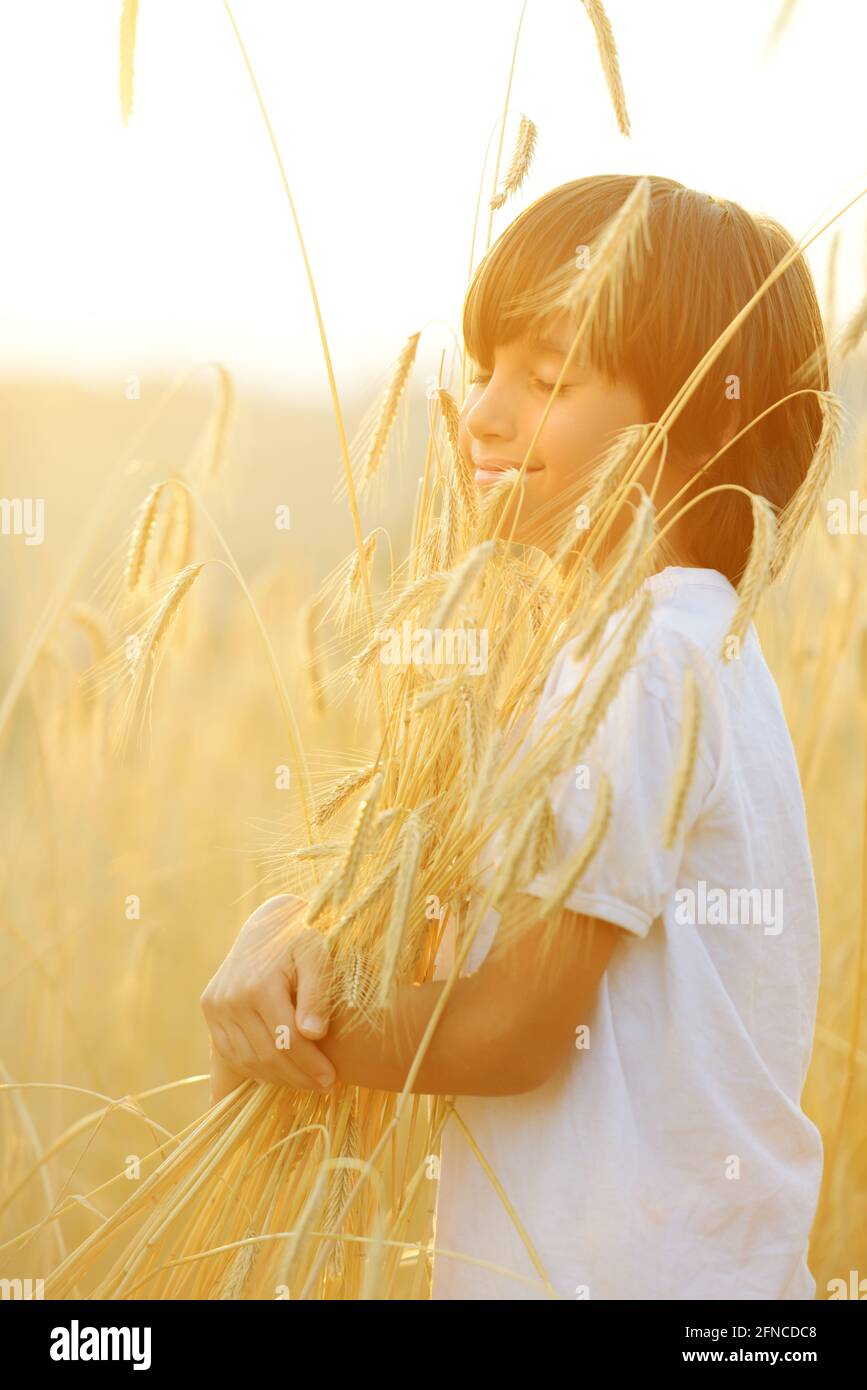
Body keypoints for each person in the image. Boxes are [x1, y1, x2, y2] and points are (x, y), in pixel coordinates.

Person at [200, 175, 828, 1299]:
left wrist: (291, 1045)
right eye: (486, 368)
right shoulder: (680, 649)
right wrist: (294, 928)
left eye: (545, 379)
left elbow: (515, 1026)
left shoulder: (640, 662)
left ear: (696, 417)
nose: (481, 413)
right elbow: (441, 935)